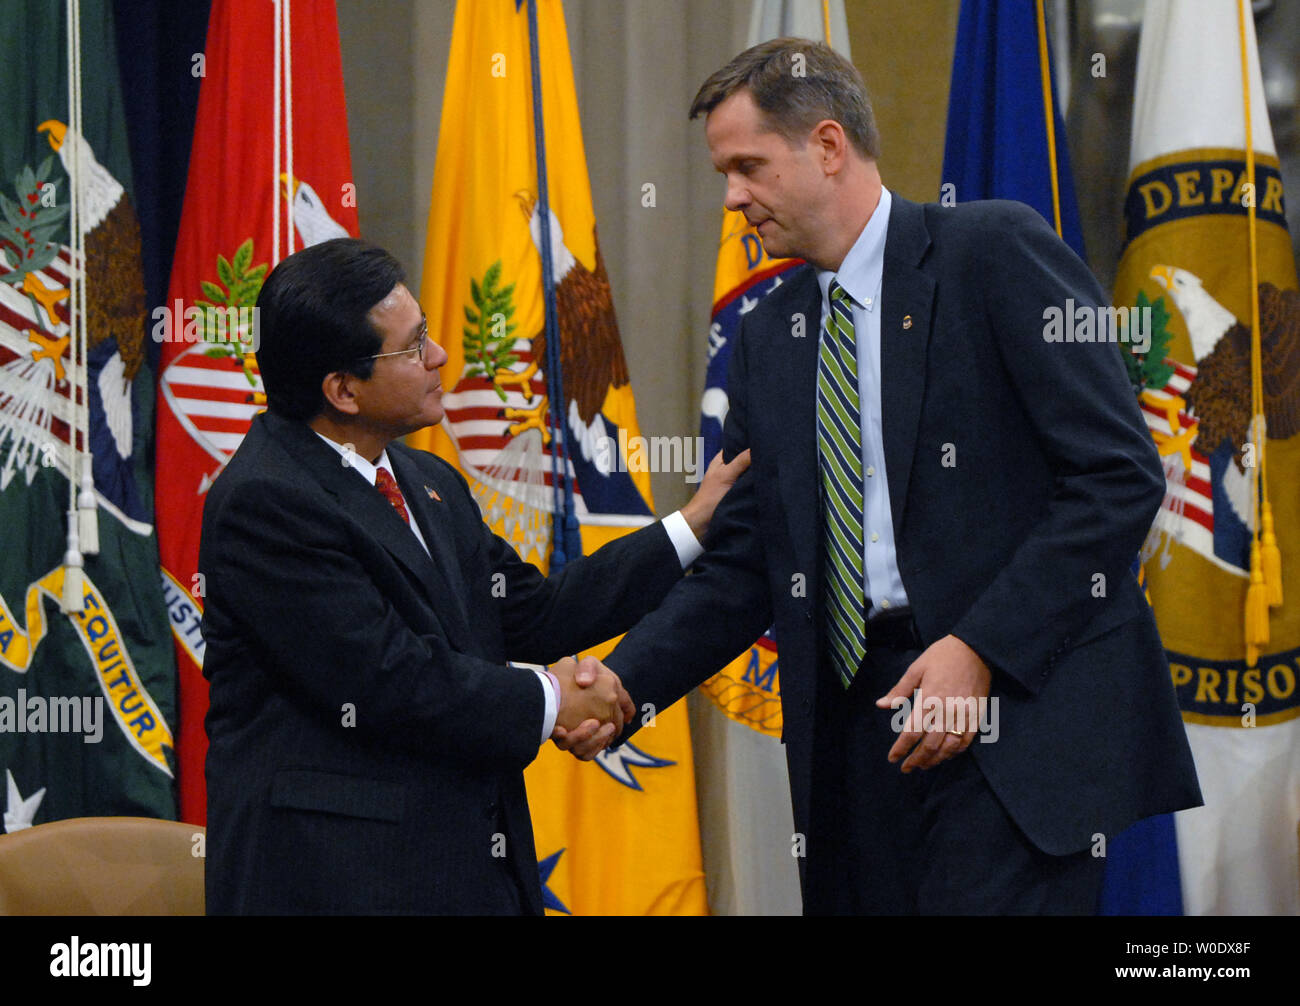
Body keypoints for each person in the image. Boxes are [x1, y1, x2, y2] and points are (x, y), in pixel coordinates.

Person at [560, 38, 1202, 914]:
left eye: (747, 166)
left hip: (1012, 726)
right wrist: (631, 680)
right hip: (853, 744)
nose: (733, 197)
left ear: (828, 146)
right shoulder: (768, 334)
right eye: (723, 172)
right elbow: (749, 559)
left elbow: (1119, 475)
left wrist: (979, 652)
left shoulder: (994, 251)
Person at [199, 237, 747, 914]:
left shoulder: (427, 482)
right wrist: (555, 700)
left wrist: (694, 524)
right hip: (337, 882)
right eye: (413, 347)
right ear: (342, 389)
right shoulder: (265, 502)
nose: (439, 358)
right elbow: (392, 681)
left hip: (467, 869)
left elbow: (536, 615)